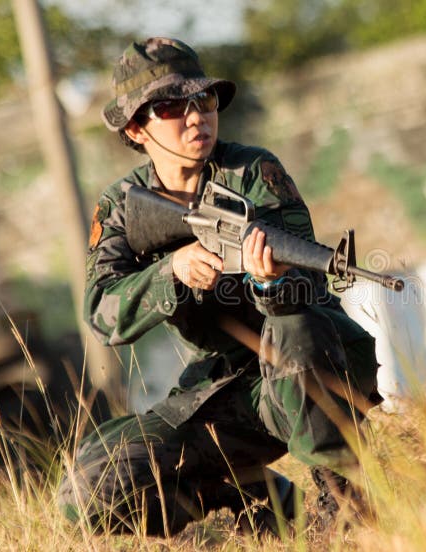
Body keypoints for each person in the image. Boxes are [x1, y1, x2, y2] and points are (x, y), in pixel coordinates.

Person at [56, 37, 381, 536]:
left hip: (307, 361)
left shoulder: (253, 171)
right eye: (171, 107)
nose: (196, 117)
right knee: (90, 488)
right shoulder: (123, 206)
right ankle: (256, 494)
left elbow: (309, 289)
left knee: (297, 330)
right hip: (224, 390)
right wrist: (171, 273)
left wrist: (271, 286)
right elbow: (102, 314)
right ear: (137, 128)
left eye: (204, 101)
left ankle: (347, 504)